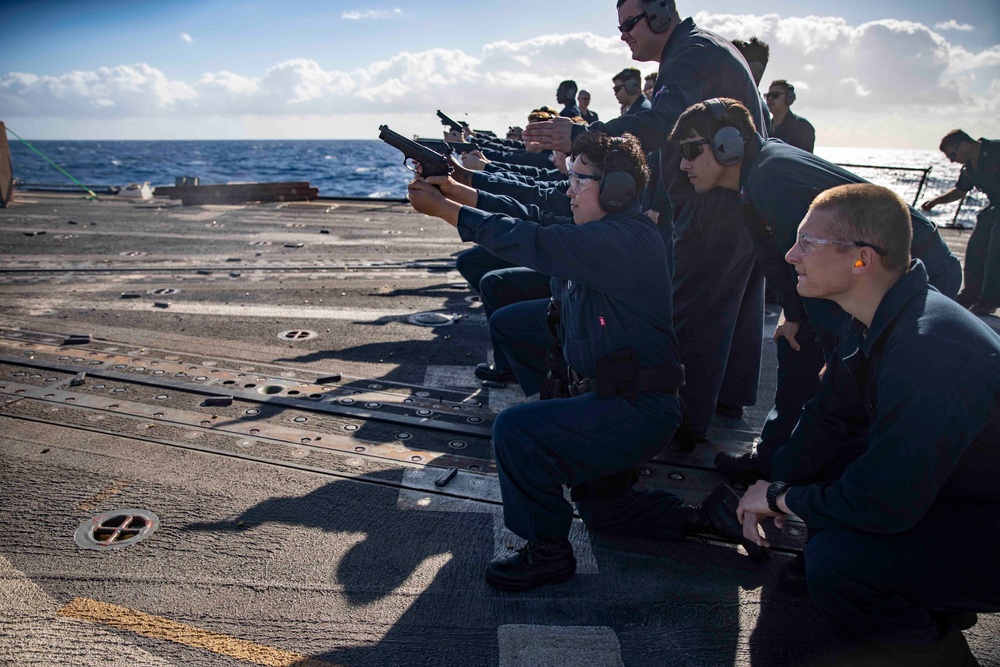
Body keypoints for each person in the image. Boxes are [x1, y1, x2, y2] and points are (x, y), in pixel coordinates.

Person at [407, 132, 764, 591]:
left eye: (580, 180)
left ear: (617, 191)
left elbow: (534, 240)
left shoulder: (623, 241)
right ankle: (708, 518)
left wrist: (446, 211)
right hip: (617, 400)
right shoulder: (600, 230)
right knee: (605, 514)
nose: (569, 188)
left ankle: (548, 553)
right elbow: (533, 216)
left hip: (636, 410)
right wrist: (457, 191)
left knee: (515, 430)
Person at [736, 183, 1000, 667]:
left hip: (987, 521)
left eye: (807, 242)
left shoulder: (929, 348)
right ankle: (932, 595)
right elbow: (829, 418)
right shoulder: (875, 317)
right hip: (963, 493)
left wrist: (780, 499)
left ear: (862, 259)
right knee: (835, 464)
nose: (791, 255)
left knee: (841, 564)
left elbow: (884, 501)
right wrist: (768, 485)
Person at [666, 98, 960, 483]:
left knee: (856, 377)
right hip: (861, 270)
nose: (683, 164)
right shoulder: (754, 178)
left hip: (908, 269)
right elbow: (783, 259)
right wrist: (794, 314)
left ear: (728, 145)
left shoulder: (770, 177)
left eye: (691, 150)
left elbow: (819, 267)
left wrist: (832, 349)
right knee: (799, 345)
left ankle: (835, 478)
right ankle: (776, 461)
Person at [522, 0, 770, 445]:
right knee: (734, 306)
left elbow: (662, 121)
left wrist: (584, 136)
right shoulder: (709, 48)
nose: (623, 35)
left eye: (629, 24)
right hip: (741, 200)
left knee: (693, 316)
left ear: (659, 14)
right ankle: (728, 402)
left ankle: (681, 424)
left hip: (712, 208)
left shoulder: (687, 54)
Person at [922, 130, 1000, 315]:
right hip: (995, 207)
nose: (952, 161)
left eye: (952, 155)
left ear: (964, 145)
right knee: (976, 249)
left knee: (995, 253)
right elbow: (959, 191)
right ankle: (970, 296)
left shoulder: (996, 149)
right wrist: (935, 201)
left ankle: (989, 300)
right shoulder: (969, 168)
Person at [766, 79, 815, 153]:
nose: (770, 98)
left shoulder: (802, 126)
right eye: (767, 96)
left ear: (789, 98)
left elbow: (805, 156)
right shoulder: (765, 126)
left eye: (775, 95)